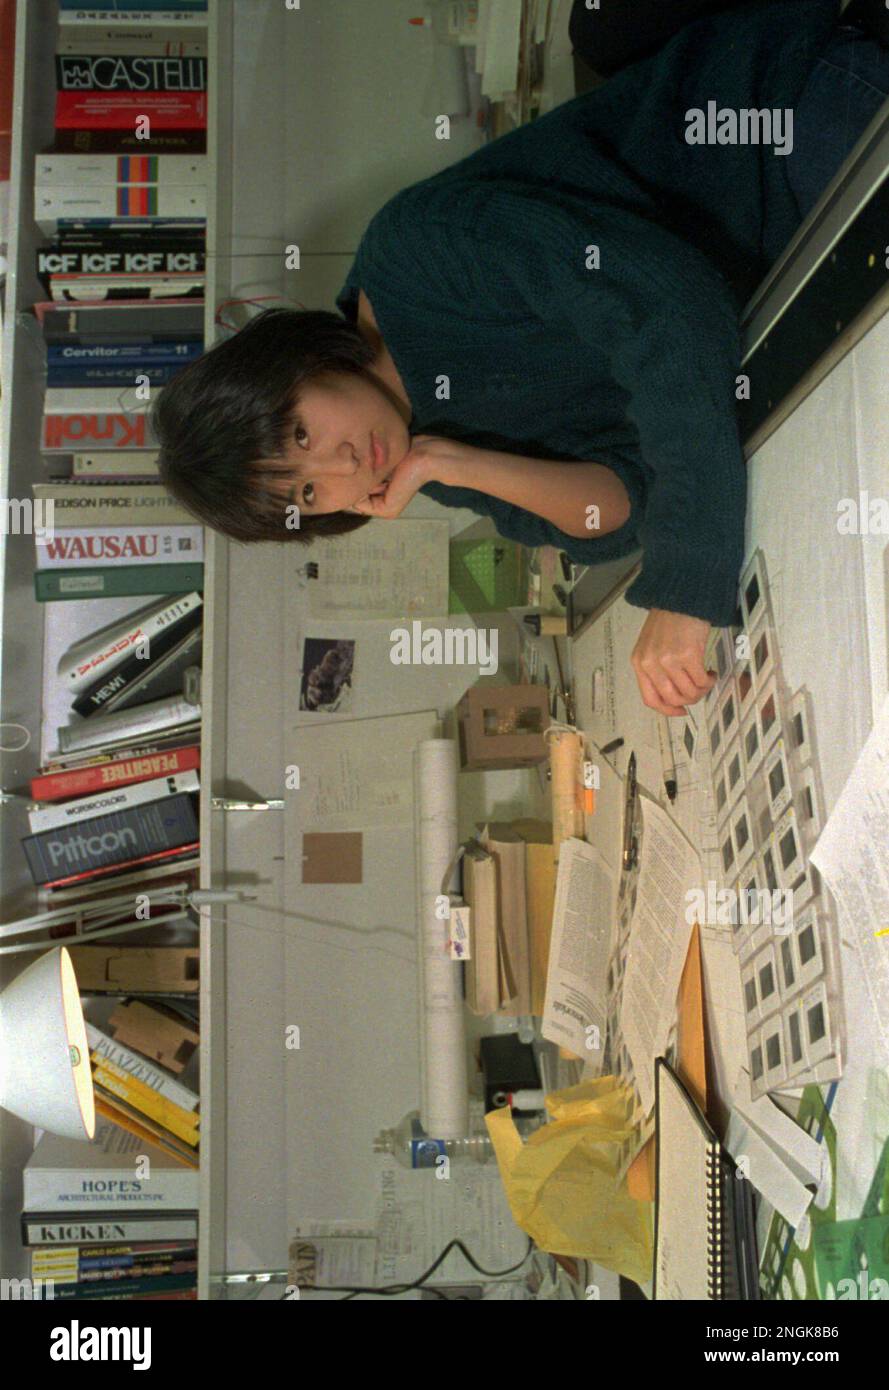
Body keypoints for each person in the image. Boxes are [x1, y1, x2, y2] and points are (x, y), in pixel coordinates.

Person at [152, 0, 889, 716]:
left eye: (301, 437)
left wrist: (685, 580)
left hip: (789, 130)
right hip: (784, 286)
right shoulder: (413, 445)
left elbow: (664, 305)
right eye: (307, 496)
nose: (342, 469)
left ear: (296, 364)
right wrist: (453, 464)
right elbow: (621, 505)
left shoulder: (415, 254)